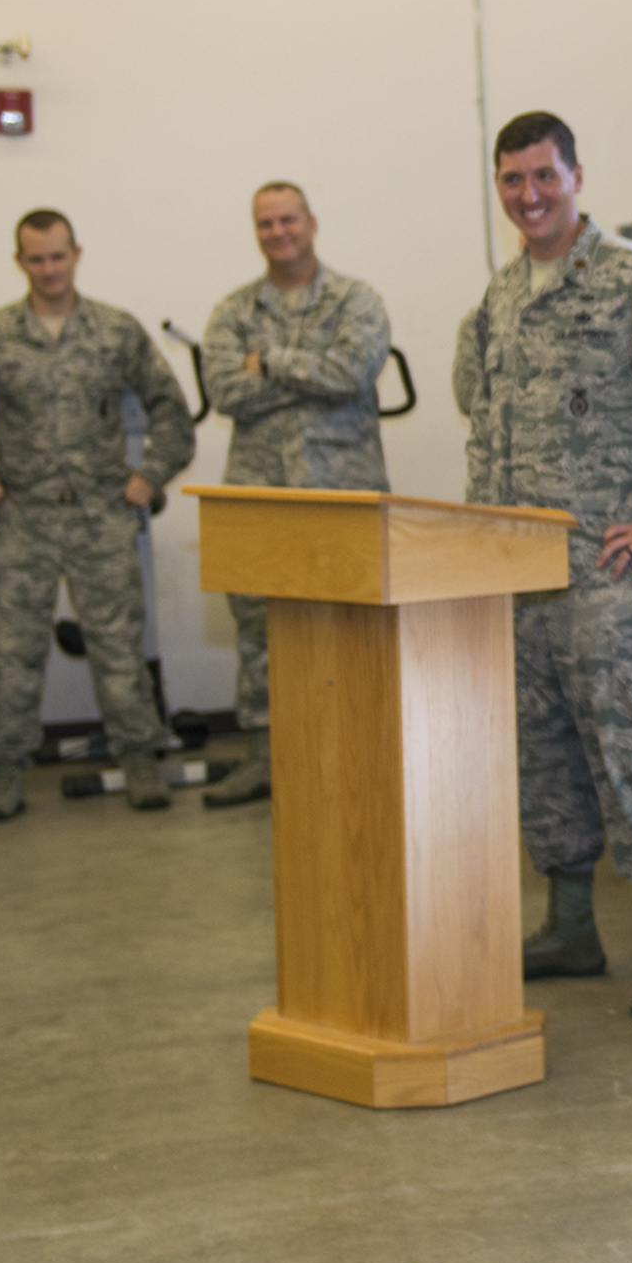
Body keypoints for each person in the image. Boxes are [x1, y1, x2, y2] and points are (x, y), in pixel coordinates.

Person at [453, 111, 632, 1019]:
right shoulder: (501, 298)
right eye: (512, 180)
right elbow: (479, 408)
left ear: (576, 176)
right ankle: (572, 924)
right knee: (543, 760)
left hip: (609, 582)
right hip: (521, 576)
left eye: (544, 176)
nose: (529, 195)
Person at [0, 210, 194, 817]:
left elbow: (170, 411)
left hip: (101, 513)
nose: (49, 269)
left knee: (118, 646)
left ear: (77, 254)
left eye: (58, 256)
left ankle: (139, 760)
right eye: (36, 258)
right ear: (19, 262)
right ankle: (4, 771)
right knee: (13, 651)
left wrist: (148, 476)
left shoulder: (115, 330)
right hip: (25, 515)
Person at [196, 181, 393, 808]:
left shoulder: (356, 299)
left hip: (344, 494)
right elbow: (225, 391)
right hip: (259, 499)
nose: (277, 232)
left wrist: (269, 362)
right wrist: (311, 371)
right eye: (265, 223)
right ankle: (265, 759)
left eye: (288, 220)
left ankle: (362, 753)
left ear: (311, 222)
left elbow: (352, 372)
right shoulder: (232, 311)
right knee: (259, 627)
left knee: (355, 626)